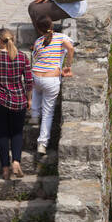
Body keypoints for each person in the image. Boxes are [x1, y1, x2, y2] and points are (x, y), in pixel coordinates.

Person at [0, 28, 33, 180]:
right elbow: (29, 81)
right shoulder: (22, 57)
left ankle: (4, 169)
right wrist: (29, 99)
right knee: (17, 133)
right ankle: (16, 161)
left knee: (2, 134)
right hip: (19, 101)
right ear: (13, 39)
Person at [30, 14, 74, 156]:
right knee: (48, 113)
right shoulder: (61, 38)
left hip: (36, 75)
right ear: (52, 26)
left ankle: (34, 114)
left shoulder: (38, 42)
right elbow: (71, 48)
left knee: (37, 90)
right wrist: (67, 66)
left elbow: (35, 57)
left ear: (39, 29)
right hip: (51, 78)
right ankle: (42, 143)